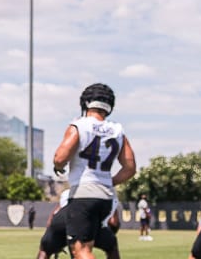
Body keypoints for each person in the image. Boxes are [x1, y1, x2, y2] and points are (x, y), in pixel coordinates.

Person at [52, 83, 137, 259]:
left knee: (80, 249)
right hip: (106, 196)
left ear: (86, 103)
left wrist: (58, 167)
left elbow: (60, 157)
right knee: (88, 245)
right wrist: (109, 181)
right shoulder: (117, 130)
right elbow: (130, 168)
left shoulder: (79, 125)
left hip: (84, 195)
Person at [36, 188, 121, 259]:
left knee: (45, 249)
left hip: (62, 221)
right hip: (88, 221)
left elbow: (54, 215)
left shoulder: (67, 192)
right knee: (110, 246)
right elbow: (114, 223)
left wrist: (51, 236)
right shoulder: (108, 192)